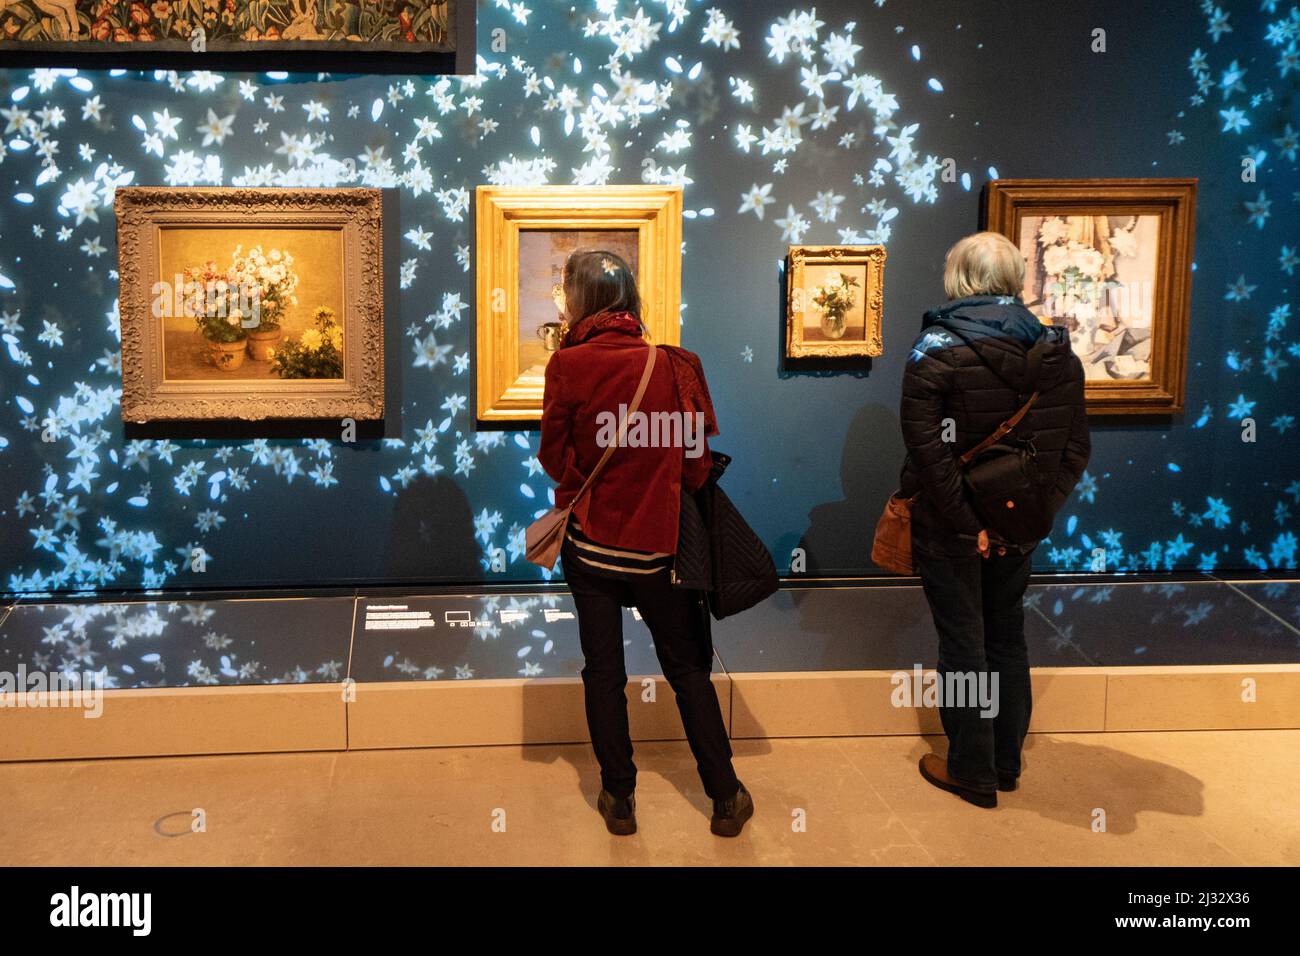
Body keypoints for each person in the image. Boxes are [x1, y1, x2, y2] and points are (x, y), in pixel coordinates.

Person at [539, 249, 753, 837]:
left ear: (579, 300)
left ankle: (619, 798)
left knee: (603, 672)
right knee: (687, 671)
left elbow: (555, 462)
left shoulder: (567, 366)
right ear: (630, 296)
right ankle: (725, 797)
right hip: (662, 552)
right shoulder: (678, 365)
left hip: (592, 551)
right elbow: (696, 469)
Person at [899, 231, 1090, 809]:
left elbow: (926, 451)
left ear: (957, 278)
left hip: (951, 527)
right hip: (1018, 528)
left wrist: (965, 522)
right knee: (1006, 636)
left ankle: (972, 770)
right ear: (1015, 279)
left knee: (964, 643)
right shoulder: (1060, 352)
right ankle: (1006, 762)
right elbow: (1074, 451)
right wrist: (1031, 519)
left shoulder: (933, 348)